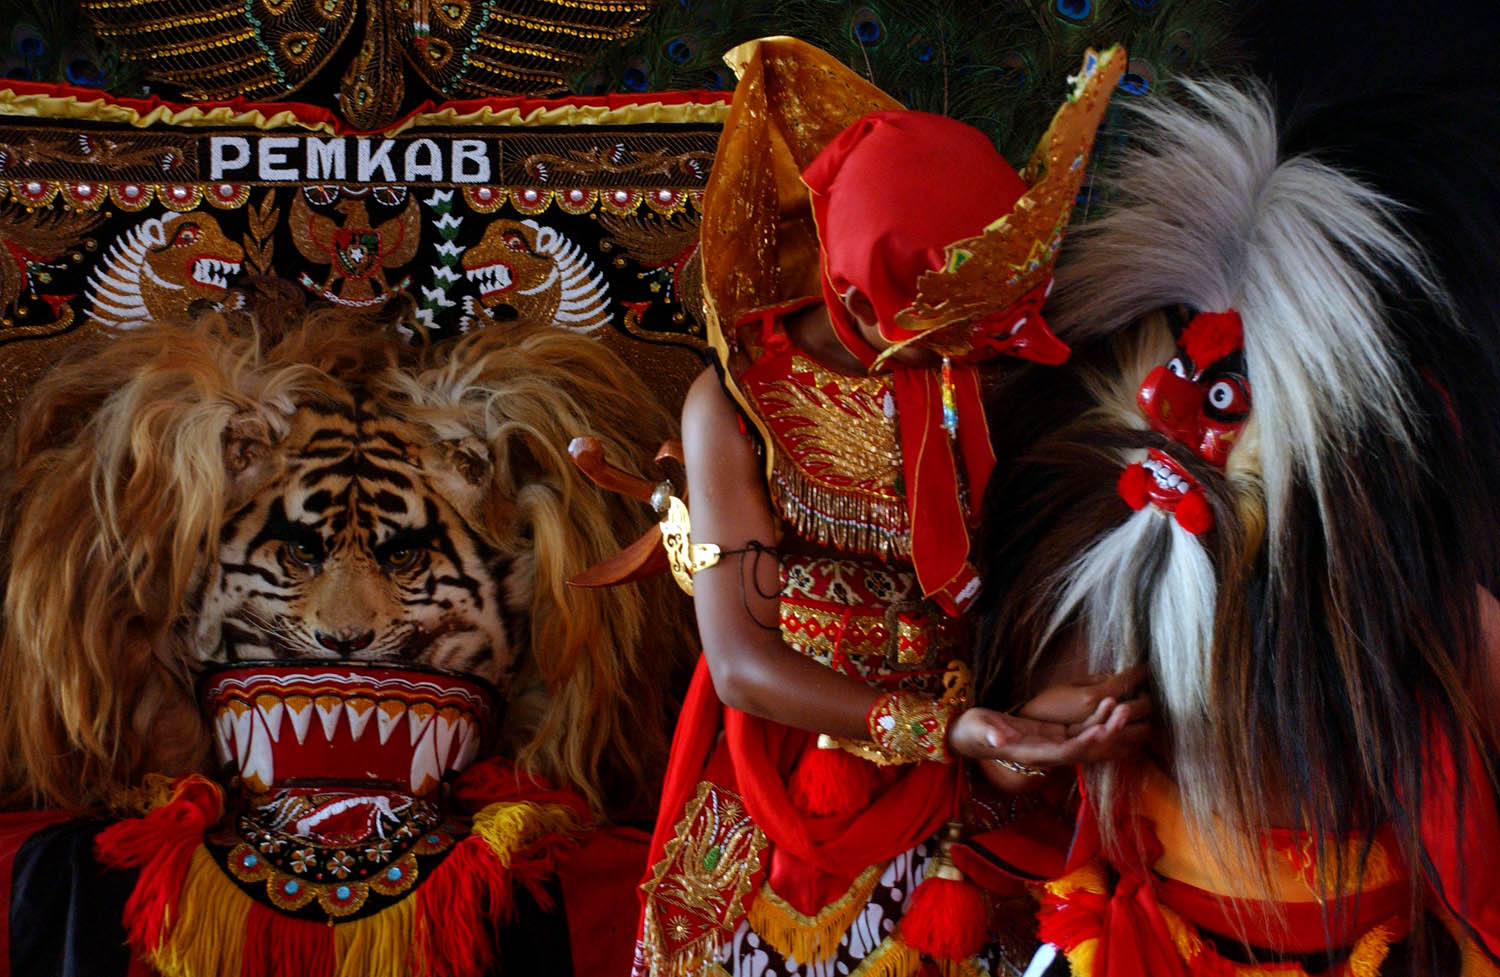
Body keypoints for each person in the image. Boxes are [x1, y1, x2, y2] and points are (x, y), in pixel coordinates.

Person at [960, 78, 1500, 976]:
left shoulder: (1391, 590)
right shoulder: (1098, 553)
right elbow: (1016, 765)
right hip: (1159, 937)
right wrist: (1029, 743)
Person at [634, 37, 1147, 977]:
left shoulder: (978, 381)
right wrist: (941, 730)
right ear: (857, 297)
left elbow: (1031, 578)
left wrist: (1031, 718)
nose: (972, 355)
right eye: (945, 335)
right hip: (787, 754)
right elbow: (742, 664)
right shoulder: (737, 402)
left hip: (965, 760)